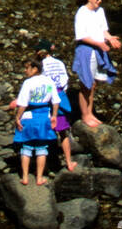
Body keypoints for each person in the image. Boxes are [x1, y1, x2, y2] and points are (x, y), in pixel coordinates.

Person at [72, 0, 121, 128]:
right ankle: (85, 115)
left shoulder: (100, 11)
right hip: (86, 50)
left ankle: (90, 112)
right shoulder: (81, 12)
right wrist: (99, 43)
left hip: (99, 49)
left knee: (93, 85)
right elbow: (81, 36)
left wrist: (110, 38)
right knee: (85, 84)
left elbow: (103, 30)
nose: (99, 1)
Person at [13, 55, 59, 186]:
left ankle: (25, 177)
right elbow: (55, 100)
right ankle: (39, 177)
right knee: (41, 148)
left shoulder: (28, 83)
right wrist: (54, 116)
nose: (25, 71)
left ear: (34, 69)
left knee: (26, 147)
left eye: (27, 68)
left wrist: (17, 117)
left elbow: (23, 103)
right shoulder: (49, 82)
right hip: (44, 116)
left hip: (29, 116)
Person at [35, 37, 77, 171]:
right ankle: (69, 162)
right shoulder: (59, 63)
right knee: (63, 132)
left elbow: (42, 82)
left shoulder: (41, 66)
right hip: (60, 96)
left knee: (44, 131)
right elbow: (65, 80)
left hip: (47, 98)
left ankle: (44, 165)